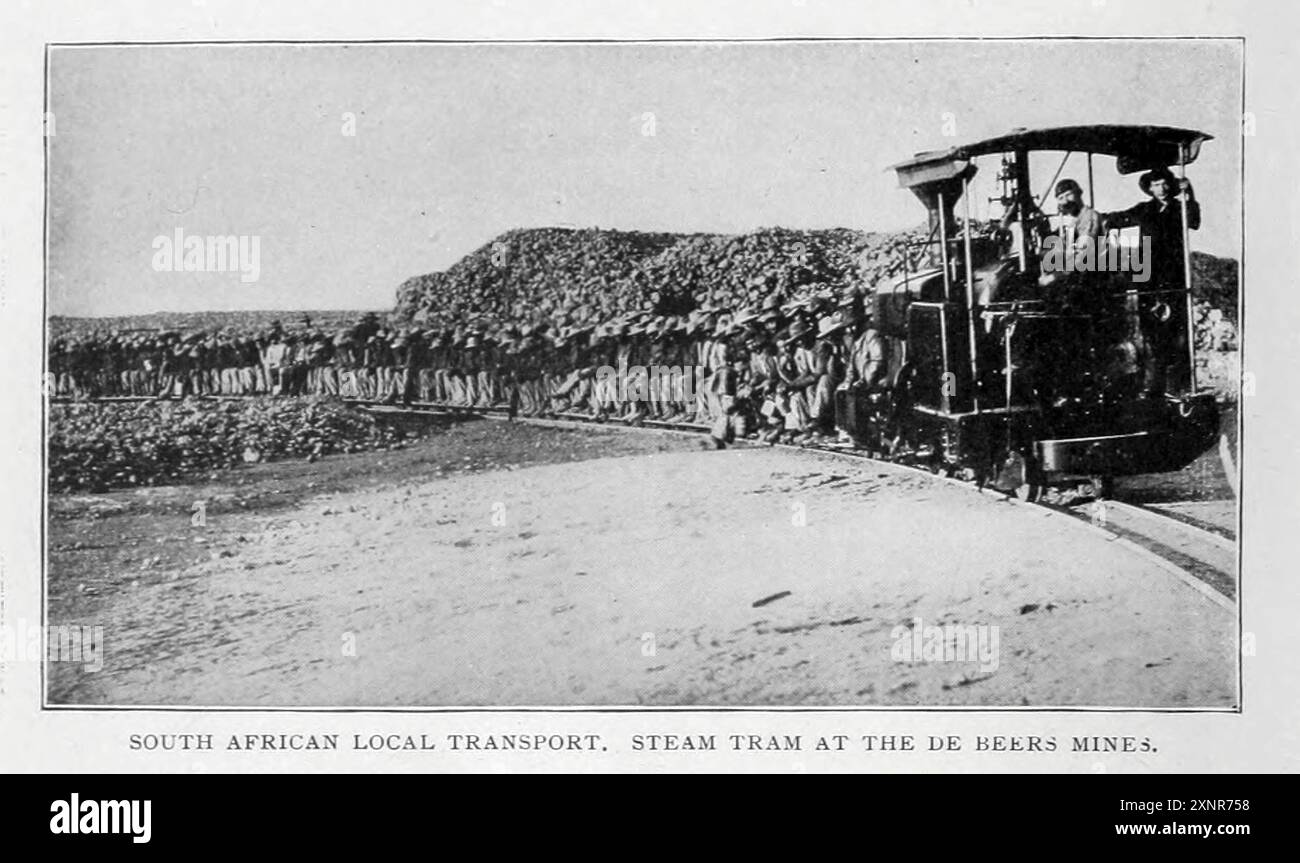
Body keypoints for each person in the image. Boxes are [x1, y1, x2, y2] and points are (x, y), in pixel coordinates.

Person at [1104, 166, 1201, 394]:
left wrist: (1191, 194)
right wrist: (1101, 221)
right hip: (1148, 275)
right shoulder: (1144, 210)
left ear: (1172, 185)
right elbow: (1117, 218)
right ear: (1149, 188)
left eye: (1165, 183)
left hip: (1173, 275)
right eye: (1156, 184)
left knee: (1176, 333)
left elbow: (1194, 221)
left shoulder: (1181, 209)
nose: (1162, 188)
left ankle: (1177, 387)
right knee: (1150, 334)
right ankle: (1153, 387)